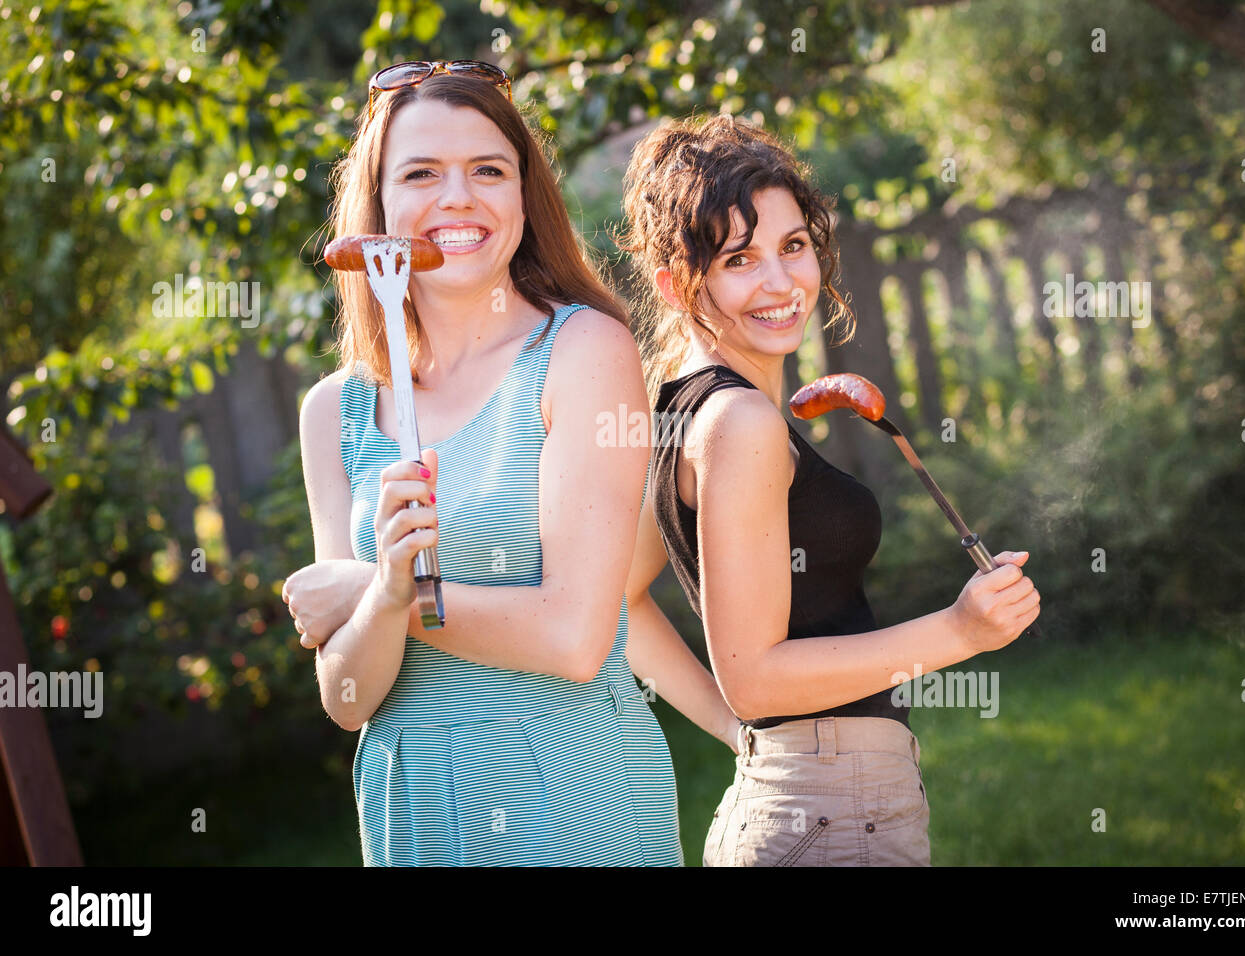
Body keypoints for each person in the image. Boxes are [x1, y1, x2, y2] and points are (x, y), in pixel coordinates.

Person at [281, 62, 714, 866]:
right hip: (411, 800)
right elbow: (347, 700)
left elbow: (575, 638)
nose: (459, 198)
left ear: (524, 196)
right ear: (376, 206)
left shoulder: (580, 352)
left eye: (489, 170)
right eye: (421, 173)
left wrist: (387, 597)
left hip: (567, 787)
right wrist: (380, 600)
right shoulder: (333, 412)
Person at [617, 114, 1041, 866]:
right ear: (677, 286)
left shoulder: (684, 408)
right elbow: (752, 678)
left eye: (793, 246)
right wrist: (959, 633)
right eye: (740, 259)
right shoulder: (739, 420)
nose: (781, 283)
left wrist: (740, 735)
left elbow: (621, 597)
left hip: (794, 802)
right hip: (834, 820)